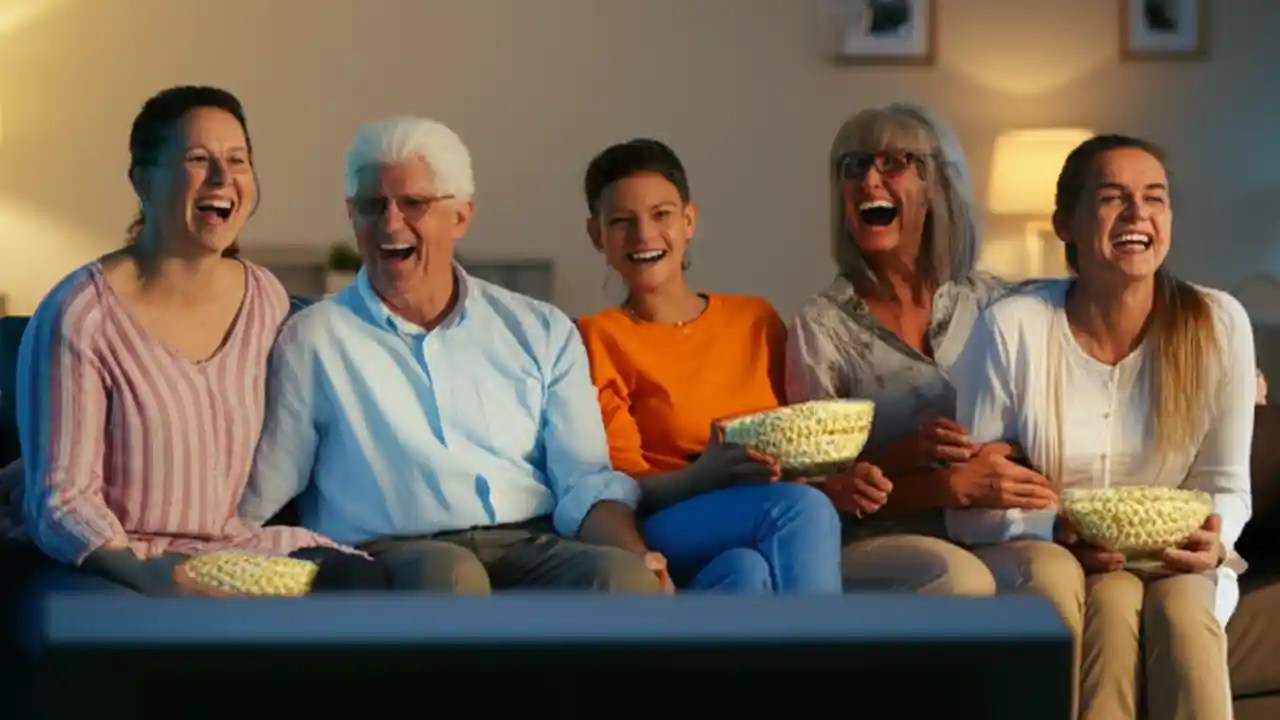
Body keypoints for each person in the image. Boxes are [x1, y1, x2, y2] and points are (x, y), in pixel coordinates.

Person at [239, 116, 667, 595]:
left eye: (413, 204)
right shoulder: (313, 338)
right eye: (371, 207)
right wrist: (198, 545)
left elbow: (584, 481)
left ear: (460, 216)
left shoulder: (540, 329)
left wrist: (636, 555)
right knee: (450, 577)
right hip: (394, 548)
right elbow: (269, 483)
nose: (390, 224)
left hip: (529, 539)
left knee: (624, 581)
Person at [14, 85, 382, 596]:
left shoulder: (265, 299)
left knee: (366, 585)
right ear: (143, 180)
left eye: (237, 160)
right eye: (197, 159)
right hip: (118, 563)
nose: (222, 178)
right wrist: (146, 572)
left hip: (235, 551)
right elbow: (61, 500)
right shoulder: (81, 313)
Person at [784, 103, 1085, 711]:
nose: (869, 181)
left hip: (987, 528)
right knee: (961, 583)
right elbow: (815, 493)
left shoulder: (996, 300)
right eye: (853, 166)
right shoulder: (821, 326)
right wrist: (938, 480)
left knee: (1055, 575)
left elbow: (1095, 341)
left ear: (937, 186)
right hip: (875, 535)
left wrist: (1232, 369)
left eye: (896, 164)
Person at [953, 134, 1253, 720]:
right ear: (1066, 222)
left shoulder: (1219, 324)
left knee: (1185, 618)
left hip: (1177, 560)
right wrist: (1053, 528)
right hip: (1066, 557)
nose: (1138, 214)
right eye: (1113, 198)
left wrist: (1216, 539)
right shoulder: (1014, 327)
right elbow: (973, 503)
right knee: (1111, 610)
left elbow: (1227, 482)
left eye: (1155, 199)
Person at [575, 138, 843, 594]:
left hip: (754, 505)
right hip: (664, 520)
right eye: (622, 222)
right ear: (598, 236)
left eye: (661, 215)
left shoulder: (755, 319)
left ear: (689, 221)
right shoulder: (596, 337)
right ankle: (833, 665)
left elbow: (798, 430)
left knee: (744, 571)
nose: (643, 236)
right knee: (802, 510)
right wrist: (703, 474)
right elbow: (619, 486)